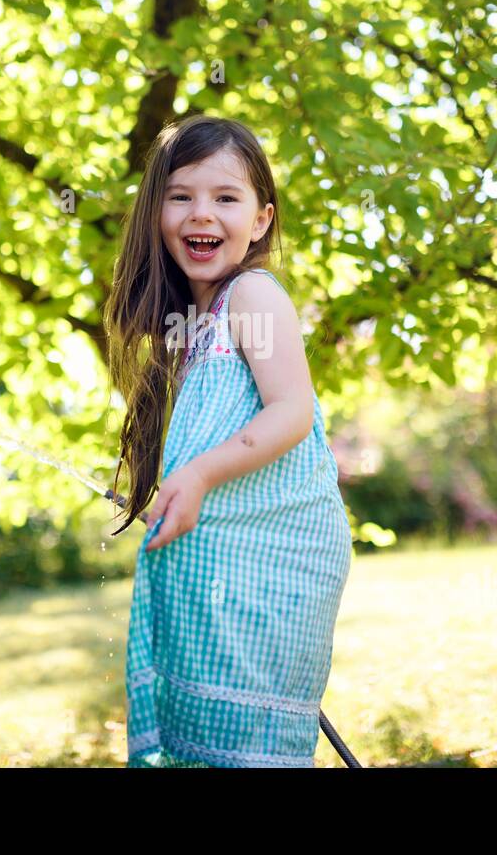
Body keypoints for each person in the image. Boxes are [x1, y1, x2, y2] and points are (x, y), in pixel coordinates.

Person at [103, 114, 353, 767]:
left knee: (246, 749)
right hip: (224, 565)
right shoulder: (191, 327)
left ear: (261, 219)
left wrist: (202, 476)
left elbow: (292, 410)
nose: (199, 214)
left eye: (225, 198)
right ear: (155, 211)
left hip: (274, 556)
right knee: (213, 746)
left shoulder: (252, 296)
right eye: (180, 195)